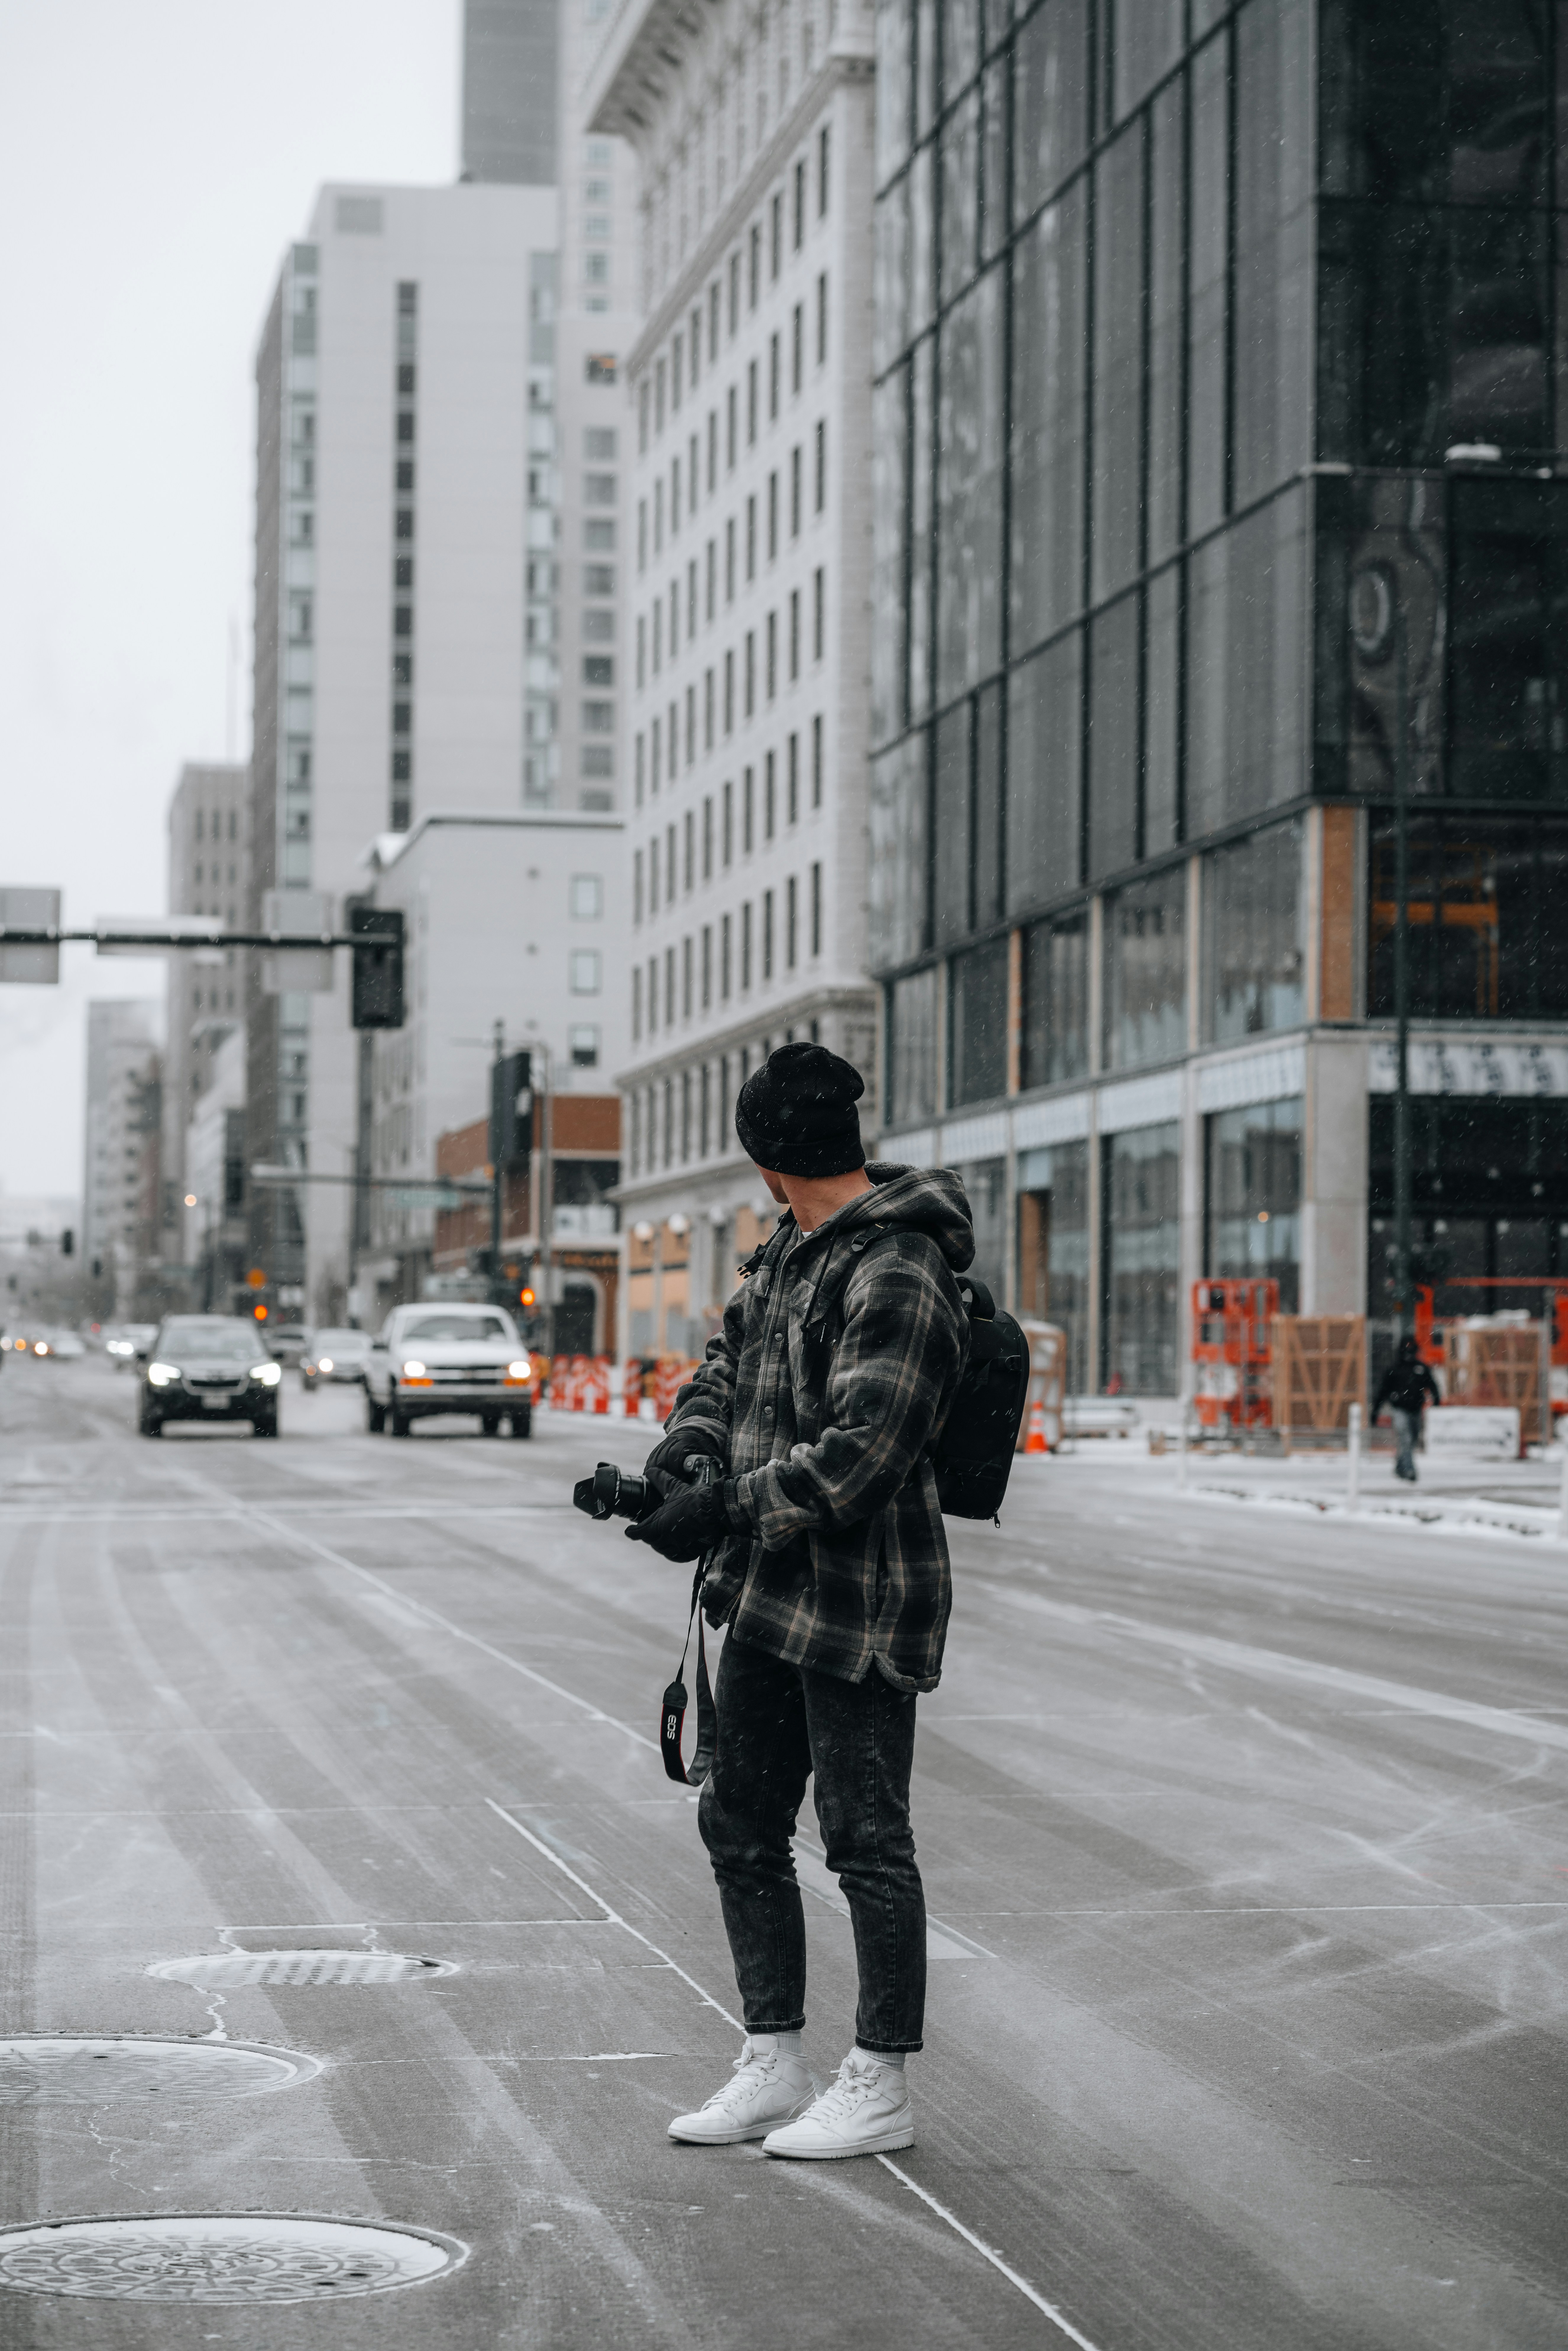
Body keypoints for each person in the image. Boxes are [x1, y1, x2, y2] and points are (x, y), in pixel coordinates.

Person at [624, 1042, 973, 2161]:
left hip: (866, 1597)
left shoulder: (899, 1264)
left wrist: (723, 1505)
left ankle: (879, 2078)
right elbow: (727, 1371)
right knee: (739, 1817)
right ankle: (774, 2059)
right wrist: (687, 1448)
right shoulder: (785, 1254)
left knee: (866, 1839)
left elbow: (866, 1450)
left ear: (769, 1161)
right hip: (773, 1589)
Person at [1371, 1333, 1441, 1482]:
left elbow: (1432, 1386)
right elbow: (1383, 1391)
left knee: (1413, 1439)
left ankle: (1400, 1466)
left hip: (1416, 1410)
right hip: (1400, 1409)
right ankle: (1410, 1470)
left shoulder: (1421, 1368)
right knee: (1405, 1438)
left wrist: (1437, 1400)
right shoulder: (1395, 1369)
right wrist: (1375, 1411)